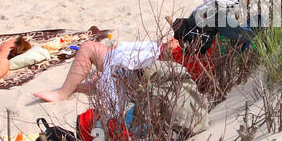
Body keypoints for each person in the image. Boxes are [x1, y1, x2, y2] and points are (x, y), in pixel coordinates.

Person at [32, 38, 180, 114]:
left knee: (88, 47)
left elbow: (169, 60)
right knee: (114, 52)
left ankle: (62, 94)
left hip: (143, 73)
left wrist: (168, 49)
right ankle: (94, 83)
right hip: (146, 69)